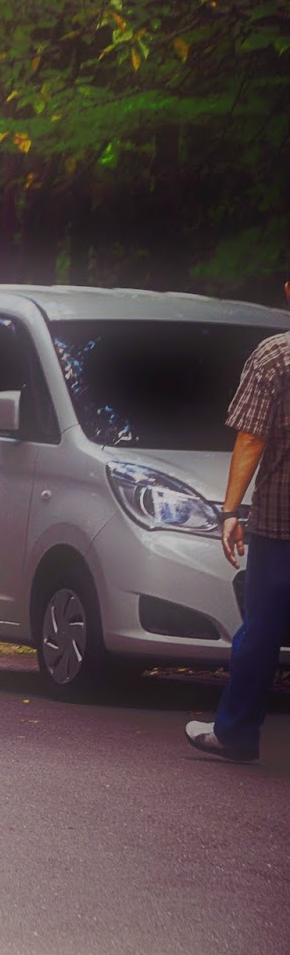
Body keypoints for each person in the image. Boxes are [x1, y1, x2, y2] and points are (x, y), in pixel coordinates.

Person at [185, 281, 290, 763]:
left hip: (280, 521)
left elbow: (251, 439)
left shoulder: (275, 356)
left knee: (263, 627)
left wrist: (230, 511)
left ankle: (236, 732)